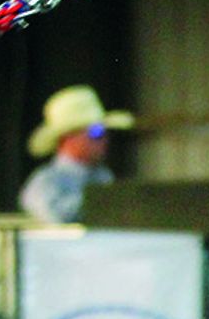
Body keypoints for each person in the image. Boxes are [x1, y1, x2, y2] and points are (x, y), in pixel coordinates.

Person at [19, 85, 134, 223]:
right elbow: (55, 217)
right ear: (67, 138)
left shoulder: (103, 176)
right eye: (96, 131)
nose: (104, 138)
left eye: (104, 131)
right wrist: (102, 200)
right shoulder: (44, 181)